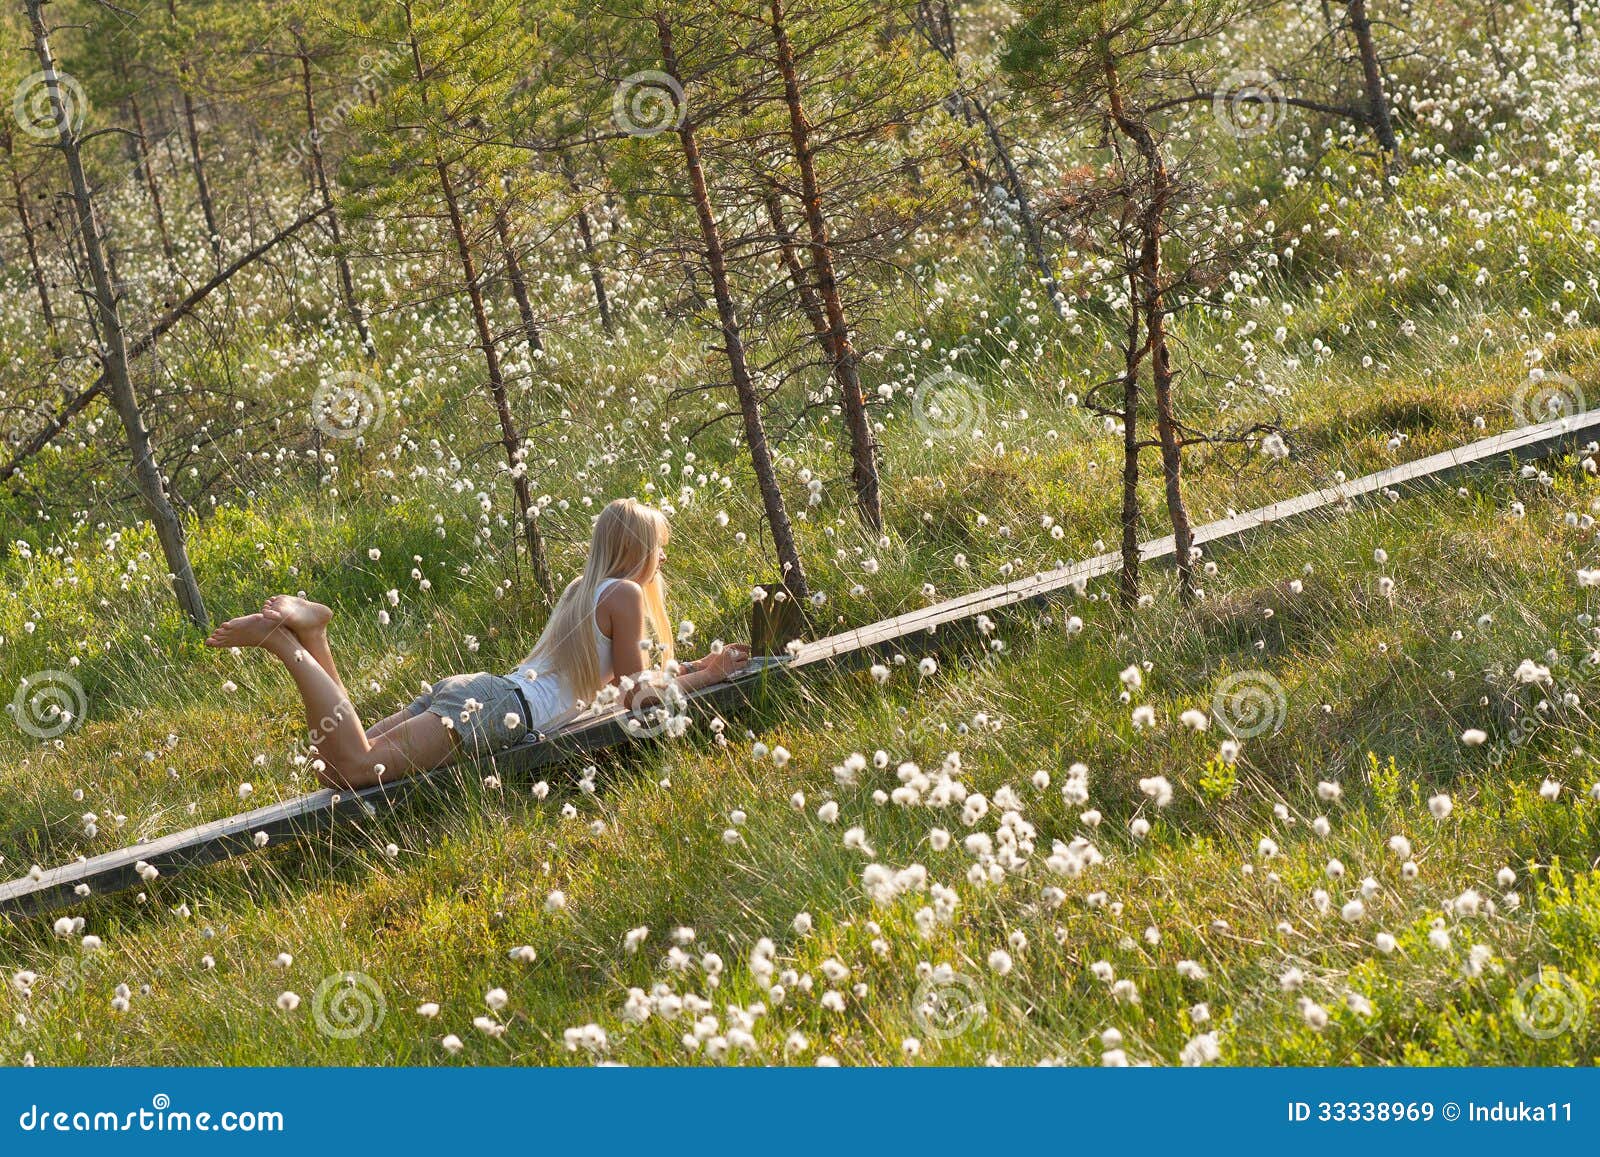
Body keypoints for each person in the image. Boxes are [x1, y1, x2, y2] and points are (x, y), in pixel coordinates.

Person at [204, 498, 749, 790]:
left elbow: (627, 680)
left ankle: (316, 634)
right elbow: (635, 695)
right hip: (497, 710)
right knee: (352, 769)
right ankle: (285, 644)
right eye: (660, 549)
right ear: (640, 549)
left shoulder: (585, 590)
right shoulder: (627, 594)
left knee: (333, 766)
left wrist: (697, 664)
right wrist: (711, 678)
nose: (663, 561)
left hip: (483, 695)